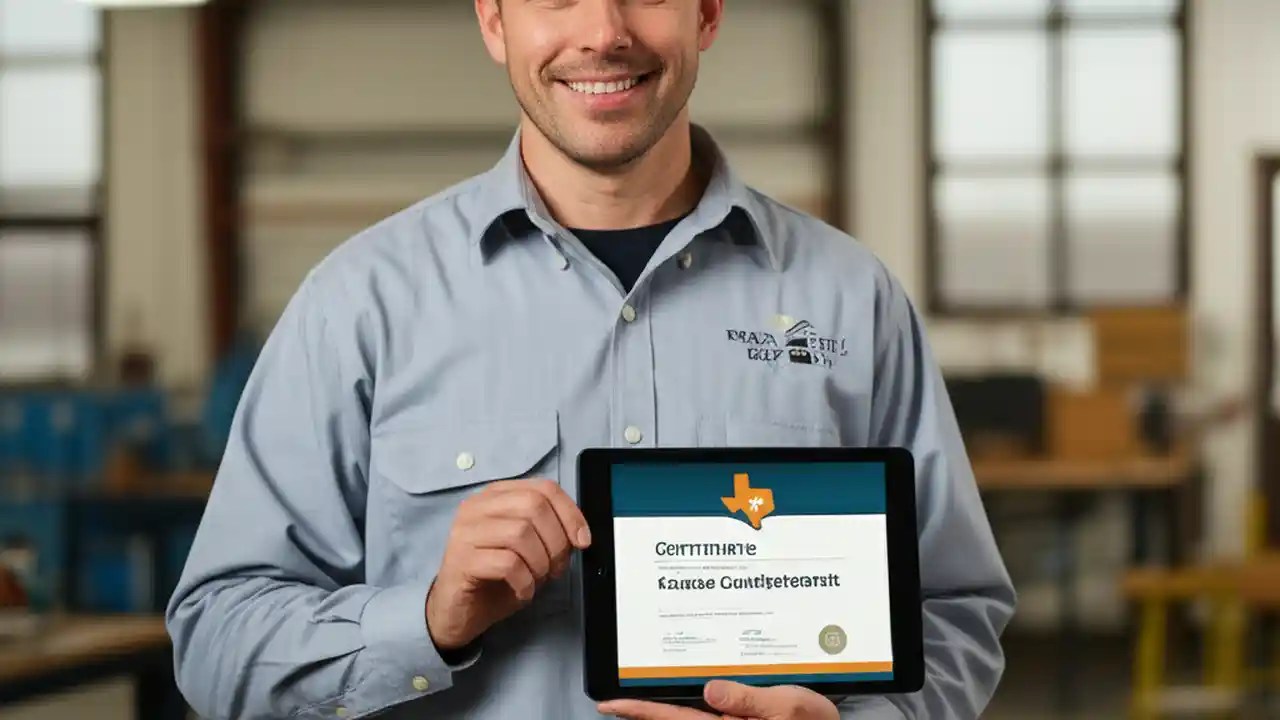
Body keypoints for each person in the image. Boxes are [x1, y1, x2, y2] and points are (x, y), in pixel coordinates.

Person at [166, 0, 1015, 718]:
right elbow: (217, 636)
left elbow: (955, 612)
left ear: (707, 13)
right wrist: (428, 620)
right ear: (494, 21)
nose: (605, 32)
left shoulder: (853, 300)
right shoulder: (361, 305)